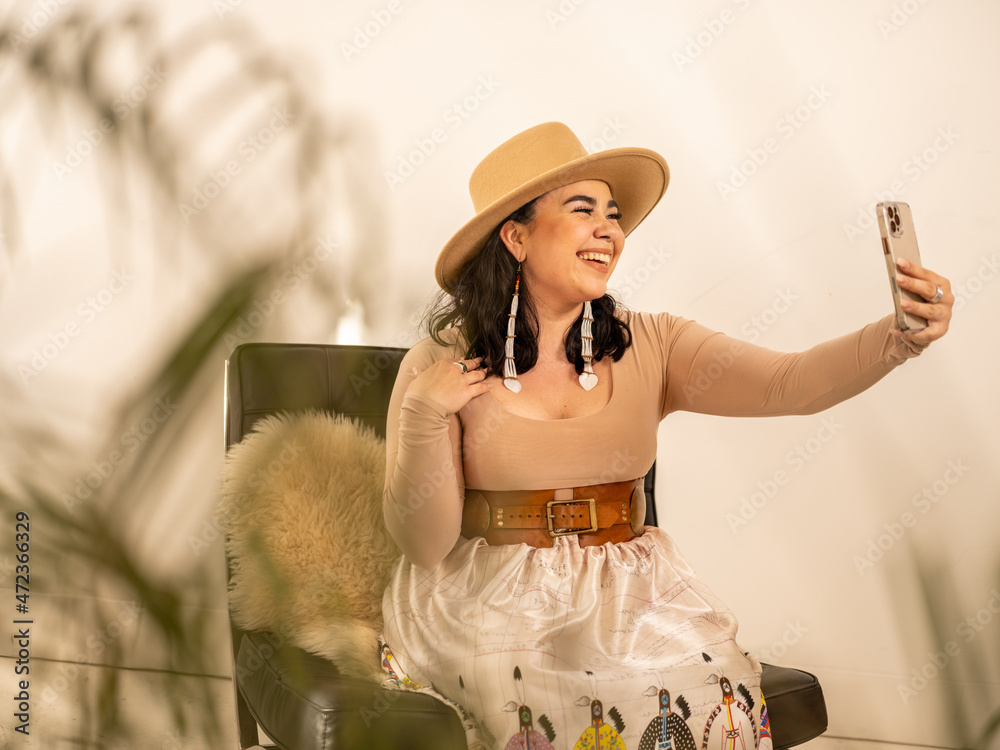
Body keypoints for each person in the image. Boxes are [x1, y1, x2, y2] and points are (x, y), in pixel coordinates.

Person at [380, 122, 952, 749]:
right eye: (582, 210)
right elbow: (425, 545)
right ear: (516, 236)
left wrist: (898, 337)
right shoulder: (438, 365)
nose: (609, 231)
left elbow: (793, 384)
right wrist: (423, 417)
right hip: (487, 599)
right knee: (557, 705)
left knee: (716, 696)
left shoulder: (653, 342)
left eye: (614, 214)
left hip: (628, 596)